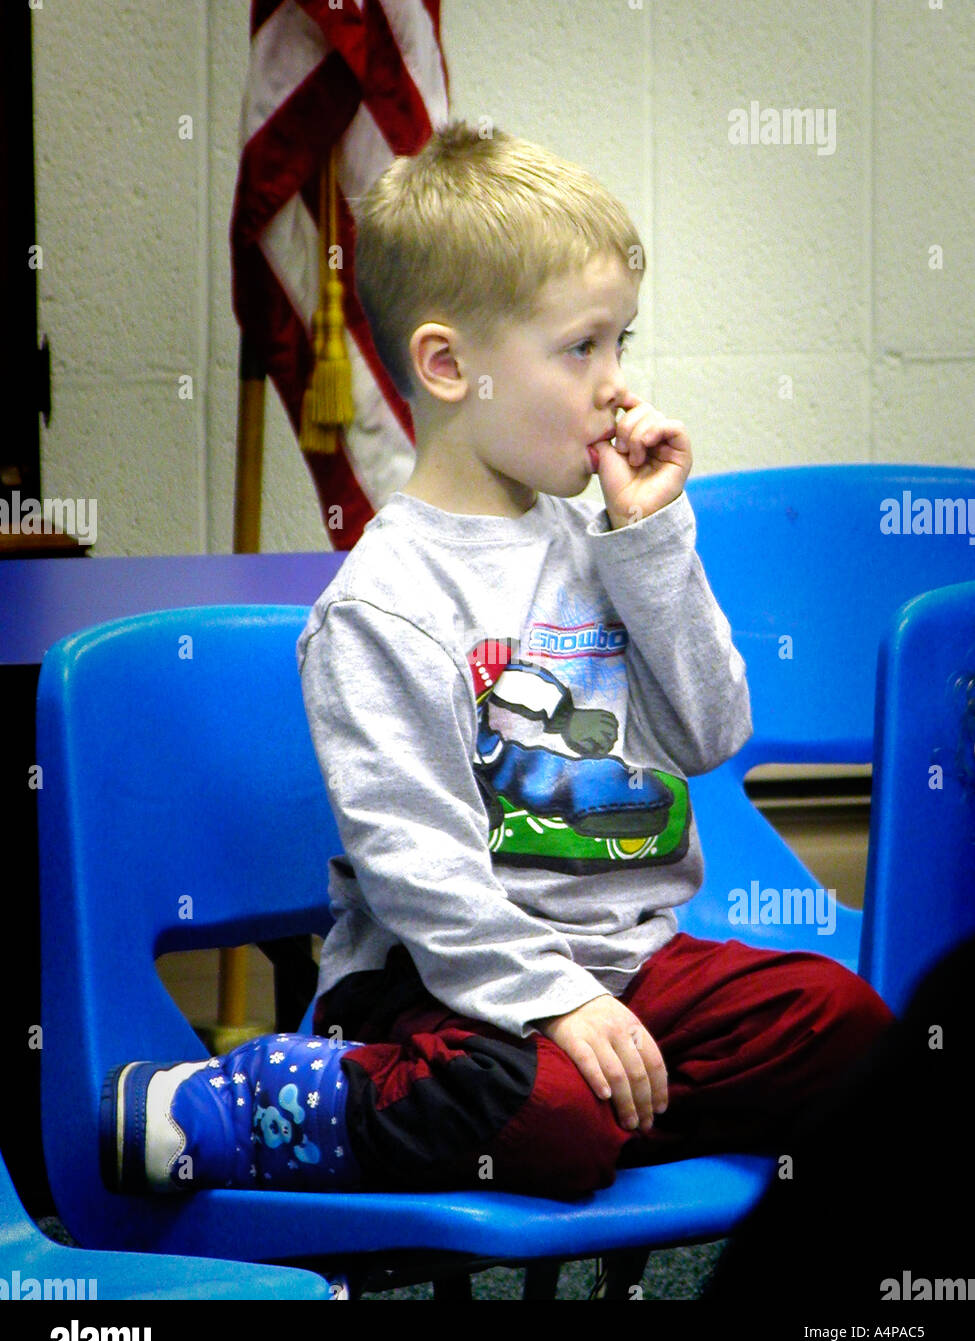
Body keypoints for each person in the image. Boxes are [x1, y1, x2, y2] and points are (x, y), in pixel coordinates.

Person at [101, 119, 893, 1203]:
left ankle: (595, 1115)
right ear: (448, 366)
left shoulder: (608, 544)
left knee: (847, 1026)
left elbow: (714, 731)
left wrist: (655, 540)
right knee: (543, 1108)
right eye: (582, 348)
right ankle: (266, 1098)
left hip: (632, 969)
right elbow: (420, 872)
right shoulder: (383, 606)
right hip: (450, 988)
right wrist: (556, 1004)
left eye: (622, 341)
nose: (618, 385)